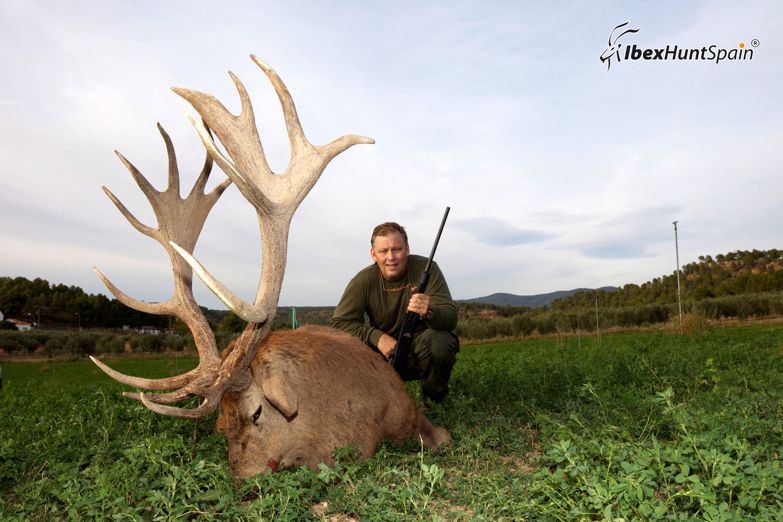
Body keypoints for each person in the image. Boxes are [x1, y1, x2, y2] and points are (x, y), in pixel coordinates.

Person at [330, 221, 459, 405]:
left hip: (418, 352)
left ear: (407, 249)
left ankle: (432, 403)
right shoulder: (362, 281)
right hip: (382, 356)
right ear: (373, 255)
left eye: (397, 249)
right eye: (383, 251)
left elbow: (450, 319)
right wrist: (377, 337)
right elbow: (339, 324)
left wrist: (430, 311)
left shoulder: (428, 268)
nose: (391, 257)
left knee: (441, 341)